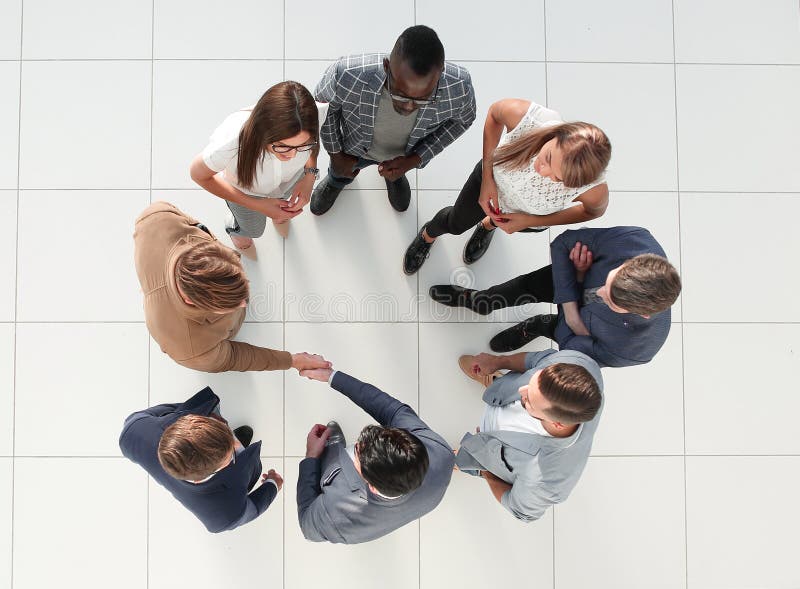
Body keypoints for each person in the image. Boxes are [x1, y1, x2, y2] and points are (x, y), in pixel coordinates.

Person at [403, 99, 611, 275]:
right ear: (558, 134)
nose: (543, 172)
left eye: (557, 179)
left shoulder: (593, 189)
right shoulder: (528, 118)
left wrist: (531, 220)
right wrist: (487, 179)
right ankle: (428, 235)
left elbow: (593, 211)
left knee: (495, 221)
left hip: (528, 214)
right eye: (547, 157)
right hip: (489, 183)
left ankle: (487, 226)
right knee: (455, 223)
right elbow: (495, 113)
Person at [429, 226, 681, 367]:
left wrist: (568, 322)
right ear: (633, 261)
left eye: (612, 301)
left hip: (565, 328)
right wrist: (576, 296)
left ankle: (533, 327)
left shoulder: (636, 349)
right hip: (566, 279)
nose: (599, 293)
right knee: (512, 291)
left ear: (643, 313)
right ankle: (479, 302)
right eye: (609, 280)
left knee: (549, 327)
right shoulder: (635, 241)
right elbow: (563, 242)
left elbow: (572, 351)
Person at [133, 201, 330, 373]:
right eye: (231, 304)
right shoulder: (192, 348)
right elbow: (233, 358)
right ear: (190, 300)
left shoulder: (155, 218)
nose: (245, 303)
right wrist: (292, 361)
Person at [311, 25, 476, 216]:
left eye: (422, 99)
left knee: (395, 173)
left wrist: (414, 159)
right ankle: (337, 179)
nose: (407, 107)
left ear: (440, 75)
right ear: (387, 66)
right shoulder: (347, 73)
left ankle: (394, 178)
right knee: (340, 172)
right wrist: (336, 154)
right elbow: (322, 109)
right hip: (352, 150)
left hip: (403, 156)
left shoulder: (459, 87)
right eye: (400, 94)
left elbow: (463, 120)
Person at [295, 366, 454, 544]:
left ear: (370, 486)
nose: (357, 444)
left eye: (356, 450)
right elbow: (392, 410)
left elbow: (306, 522)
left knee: (331, 464)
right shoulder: (440, 452)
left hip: (337, 491)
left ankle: (332, 451)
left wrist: (311, 458)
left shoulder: (336, 514)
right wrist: (332, 377)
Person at [455, 349, 603, 523]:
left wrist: (488, 472)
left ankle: (472, 461)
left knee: (454, 460)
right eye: (531, 380)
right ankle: (495, 384)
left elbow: (519, 508)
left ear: (557, 423)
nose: (521, 389)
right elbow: (536, 360)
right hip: (501, 397)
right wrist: (498, 361)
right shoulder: (578, 364)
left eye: (528, 400)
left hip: (491, 457)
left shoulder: (546, 481)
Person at [119, 386, 283, 533]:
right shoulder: (225, 513)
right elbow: (251, 509)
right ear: (199, 480)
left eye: (217, 422)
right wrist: (272, 484)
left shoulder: (132, 433)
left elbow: (164, 411)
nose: (225, 422)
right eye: (230, 449)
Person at [190, 81, 326, 250]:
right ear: (264, 132)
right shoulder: (232, 140)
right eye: (282, 146)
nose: (292, 155)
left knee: (283, 209)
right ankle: (236, 228)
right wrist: (259, 205)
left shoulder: (315, 114)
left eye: (301, 146)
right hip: (245, 192)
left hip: (290, 180)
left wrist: (309, 175)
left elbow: (314, 144)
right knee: (254, 229)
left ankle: (276, 215)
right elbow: (197, 174)